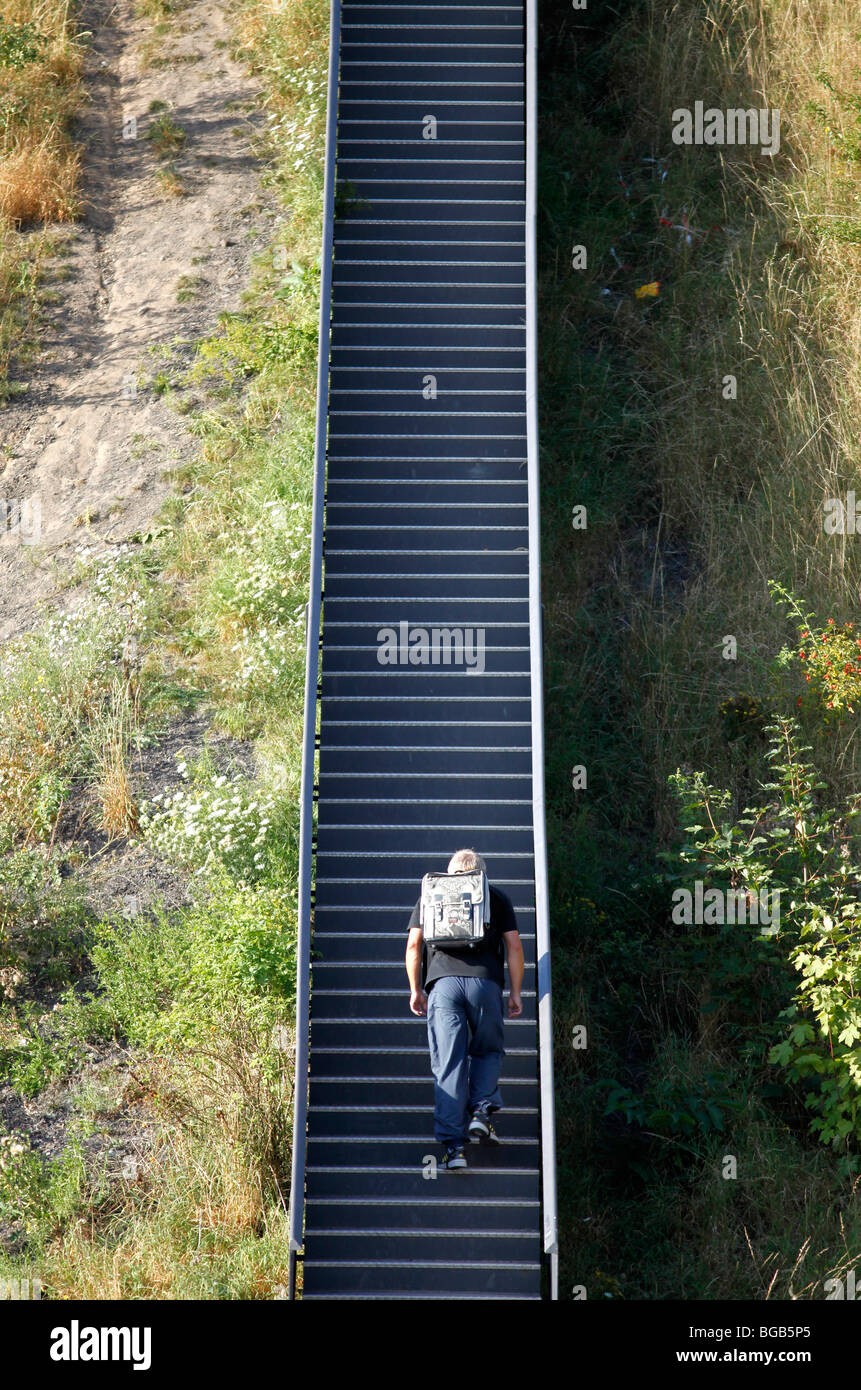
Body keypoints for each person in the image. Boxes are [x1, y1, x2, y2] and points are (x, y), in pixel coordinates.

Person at [404, 848, 524, 1171]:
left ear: (450, 871)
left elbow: (414, 946)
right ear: (481, 873)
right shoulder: (495, 897)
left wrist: (416, 989)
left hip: (443, 988)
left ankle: (455, 1149)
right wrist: (514, 992)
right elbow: (514, 947)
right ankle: (481, 1111)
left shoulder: (431, 894)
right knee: (487, 1050)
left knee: (449, 1065)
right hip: (485, 986)